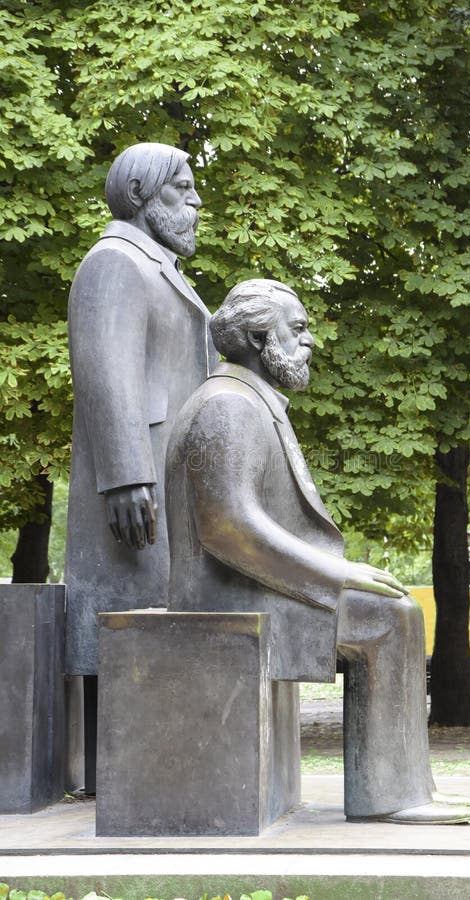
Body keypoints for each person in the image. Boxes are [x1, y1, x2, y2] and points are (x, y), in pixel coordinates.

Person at [166, 278, 470, 824]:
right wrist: (337, 575)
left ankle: (404, 785)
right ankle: (391, 795)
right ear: (261, 337)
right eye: (299, 329)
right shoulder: (229, 406)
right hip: (226, 597)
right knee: (390, 618)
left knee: (394, 609)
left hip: (243, 587)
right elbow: (227, 527)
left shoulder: (248, 401)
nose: (312, 342)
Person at [65, 142, 217, 790]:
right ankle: (120, 779)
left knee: (158, 621)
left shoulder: (159, 271)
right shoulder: (114, 264)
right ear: (138, 196)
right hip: (135, 486)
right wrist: (127, 474)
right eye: (181, 191)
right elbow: (107, 373)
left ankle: (151, 776)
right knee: (130, 623)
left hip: (165, 479)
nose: (195, 203)